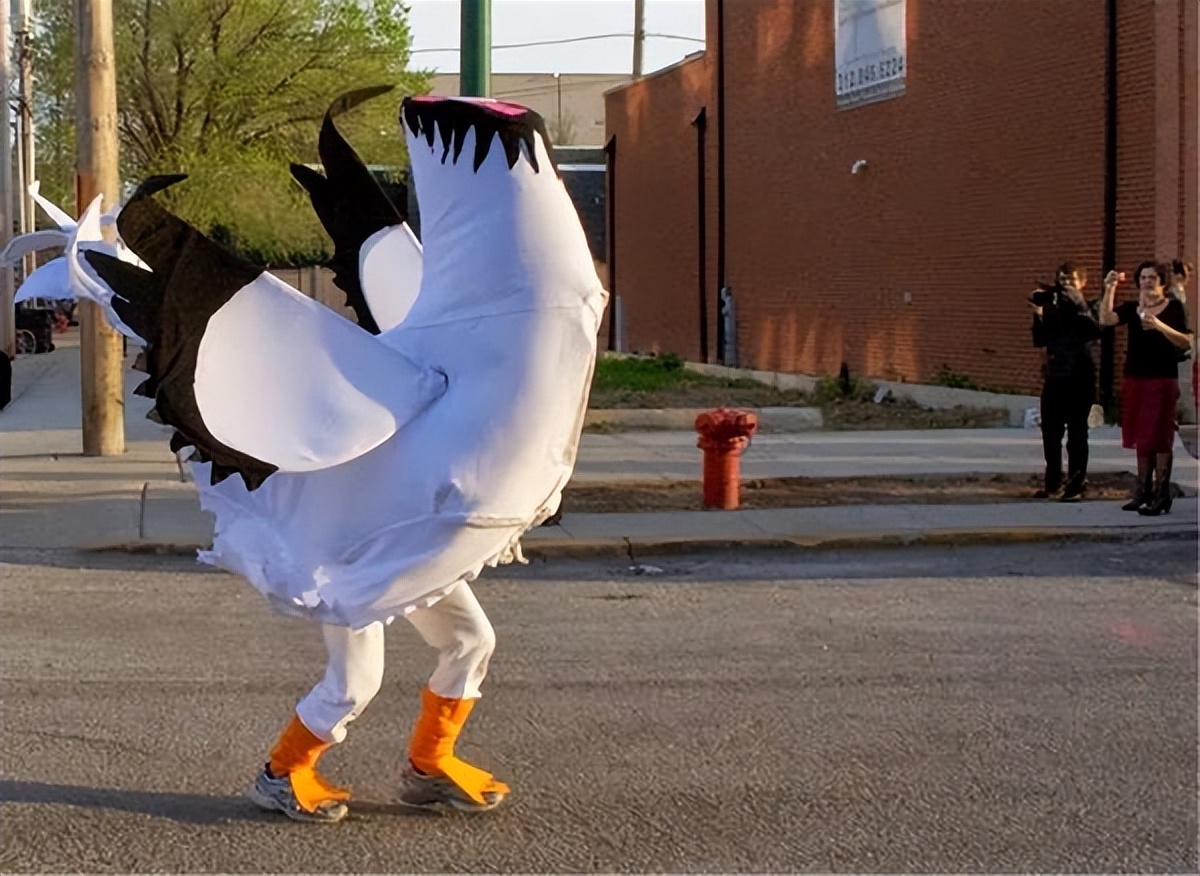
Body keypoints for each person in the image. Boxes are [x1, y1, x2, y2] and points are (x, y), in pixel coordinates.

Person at [1098, 261, 1194, 515]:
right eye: (1143, 277)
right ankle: (1142, 492)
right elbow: (1106, 319)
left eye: (1153, 278)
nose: (1147, 282)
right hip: (1135, 376)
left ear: (1162, 282)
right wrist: (1109, 289)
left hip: (1162, 378)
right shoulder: (1132, 308)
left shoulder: (1174, 307)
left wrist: (1159, 326)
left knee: (1160, 436)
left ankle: (1162, 494)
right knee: (1142, 436)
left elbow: (1187, 342)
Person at [1029, 263, 1101, 500]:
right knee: (1051, 432)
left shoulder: (1090, 305)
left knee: (1078, 433)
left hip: (1080, 376)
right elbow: (1039, 339)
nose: (1065, 284)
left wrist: (1077, 300)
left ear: (1082, 283)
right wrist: (1039, 314)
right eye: (1061, 280)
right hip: (1055, 375)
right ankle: (1052, 483)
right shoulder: (1053, 309)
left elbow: (1093, 330)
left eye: (1070, 280)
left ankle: (1077, 483)